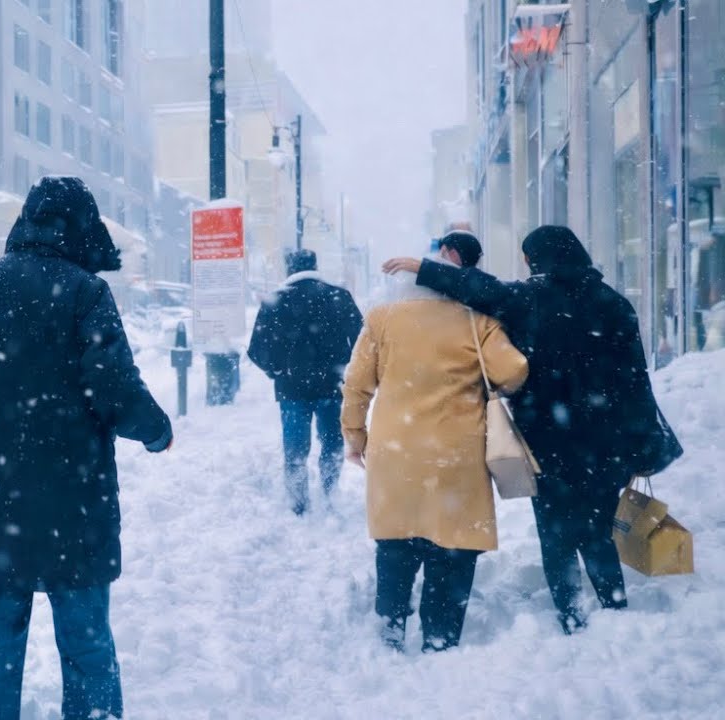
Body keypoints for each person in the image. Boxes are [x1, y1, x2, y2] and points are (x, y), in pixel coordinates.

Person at [0, 176, 172, 720]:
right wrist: (155, 429)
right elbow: (112, 386)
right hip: (71, 505)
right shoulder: (85, 291)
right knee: (85, 647)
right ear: (80, 226)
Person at [383, 225, 668, 634]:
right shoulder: (615, 304)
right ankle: (613, 606)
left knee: (556, 536)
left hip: (547, 440)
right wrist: (642, 442)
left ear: (537, 258)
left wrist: (423, 269)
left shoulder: (529, 299)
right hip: (607, 443)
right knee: (599, 531)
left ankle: (572, 617)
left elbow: (480, 288)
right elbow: (637, 382)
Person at [342, 253, 528, 653]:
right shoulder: (478, 322)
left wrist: (355, 438)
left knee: (396, 544)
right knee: (453, 547)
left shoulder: (381, 320)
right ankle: (440, 636)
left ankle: (390, 629)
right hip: (456, 455)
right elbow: (513, 370)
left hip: (396, 453)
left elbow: (356, 386)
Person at [247, 249, 362, 514]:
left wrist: (276, 370)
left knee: (295, 448)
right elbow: (362, 342)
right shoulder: (339, 296)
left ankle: (298, 502)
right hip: (333, 386)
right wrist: (346, 369)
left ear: (290, 269)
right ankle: (330, 492)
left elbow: (257, 350)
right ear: (315, 265)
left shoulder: (275, 300)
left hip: (291, 389)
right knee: (332, 442)